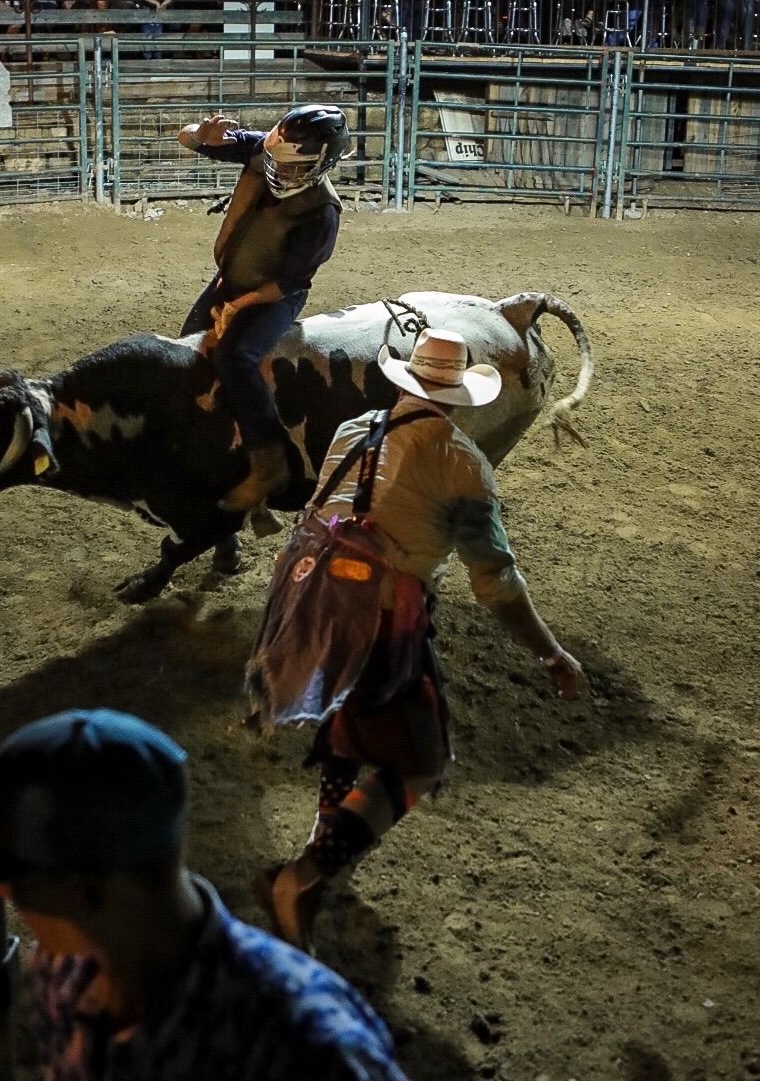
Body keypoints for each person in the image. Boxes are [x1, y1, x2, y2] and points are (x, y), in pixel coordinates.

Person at [252, 327, 583, 954]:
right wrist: (549, 651)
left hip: (309, 601)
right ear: (459, 396)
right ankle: (303, 876)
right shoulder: (461, 463)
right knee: (420, 760)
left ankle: (323, 850)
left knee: (349, 730)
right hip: (379, 620)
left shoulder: (354, 431)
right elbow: (496, 583)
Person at [0, 708, 410, 1081]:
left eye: (19, 876)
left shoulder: (308, 1048)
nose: (1, 889)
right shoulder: (62, 972)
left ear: (93, 890)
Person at [177, 106, 350, 514]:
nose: (278, 172)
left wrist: (237, 306)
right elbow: (191, 140)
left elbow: (289, 282)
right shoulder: (266, 150)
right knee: (188, 346)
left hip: (274, 295)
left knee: (235, 356)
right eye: (276, 161)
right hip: (231, 280)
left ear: (321, 163)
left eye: (291, 167)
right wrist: (199, 133)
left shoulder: (322, 214)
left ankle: (267, 456)